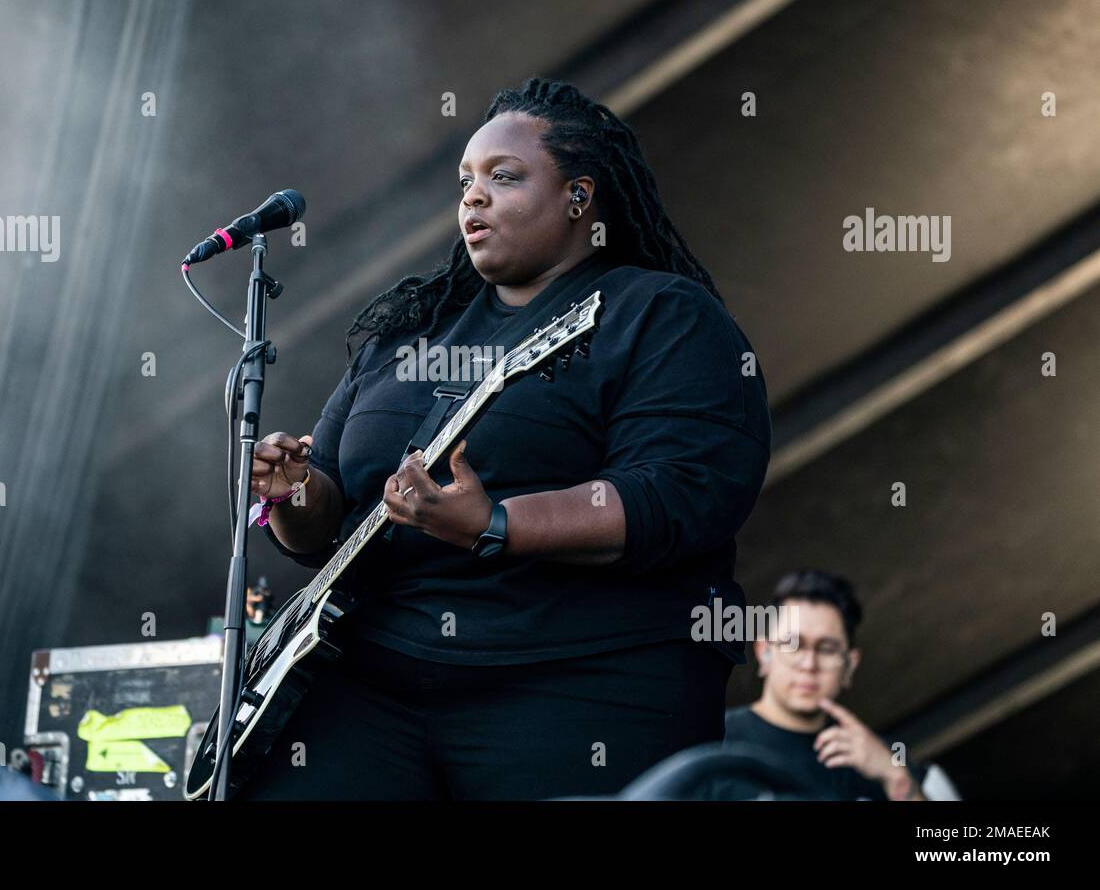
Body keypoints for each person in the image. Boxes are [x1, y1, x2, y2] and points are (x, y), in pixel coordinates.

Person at [238, 78, 771, 800]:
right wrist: (293, 490)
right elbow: (323, 527)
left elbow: (679, 494)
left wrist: (493, 524)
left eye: (504, 177)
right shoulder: (409, 332)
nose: (473, 198)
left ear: (580, 197)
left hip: (579, 681)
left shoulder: (659, 315)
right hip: (372, 681)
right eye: (465, 182)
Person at [723, 569, 928, 800]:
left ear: (850, 666)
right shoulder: (714, 738)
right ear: (764, 652)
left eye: (827, 649)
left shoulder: (875, 755)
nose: (809, 664)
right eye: (793, 645)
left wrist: (894, 776)